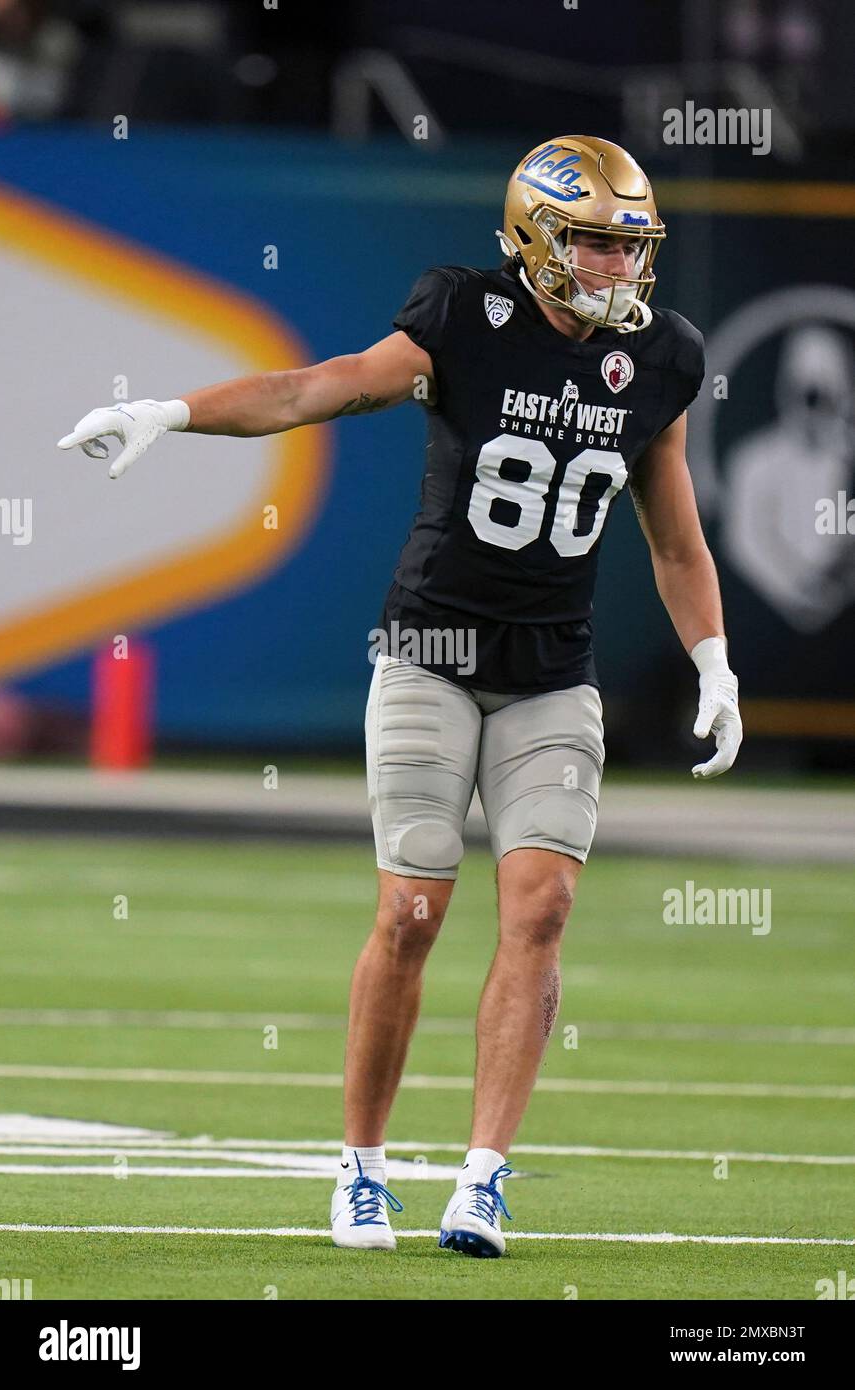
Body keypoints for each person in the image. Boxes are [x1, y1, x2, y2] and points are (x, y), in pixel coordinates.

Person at [58, 135, 743, 1260]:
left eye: (631, 246)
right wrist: (169, 414)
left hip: (550, 673)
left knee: (541, 907)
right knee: (410, 914)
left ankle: (480, 1178)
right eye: (595, 243)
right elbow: (310, 389)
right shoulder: (461, 316)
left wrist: (712, 659)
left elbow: (672, 536)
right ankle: (362, 1169)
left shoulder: (661, 357)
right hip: (428, 652)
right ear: (534, 236)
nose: (620, 268)